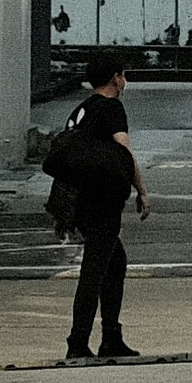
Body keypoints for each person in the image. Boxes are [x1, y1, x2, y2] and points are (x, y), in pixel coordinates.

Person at [53, 71, 143, 363]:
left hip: (77, 199)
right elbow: (124, 150)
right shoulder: (111, 107)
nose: (125, 81)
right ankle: (78, 341)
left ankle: (111, 338)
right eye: (124, 75)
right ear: (116, 78)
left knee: (115, 263)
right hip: (101, 200)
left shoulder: (84, 108)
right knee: (95, 271)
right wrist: (141, 189)